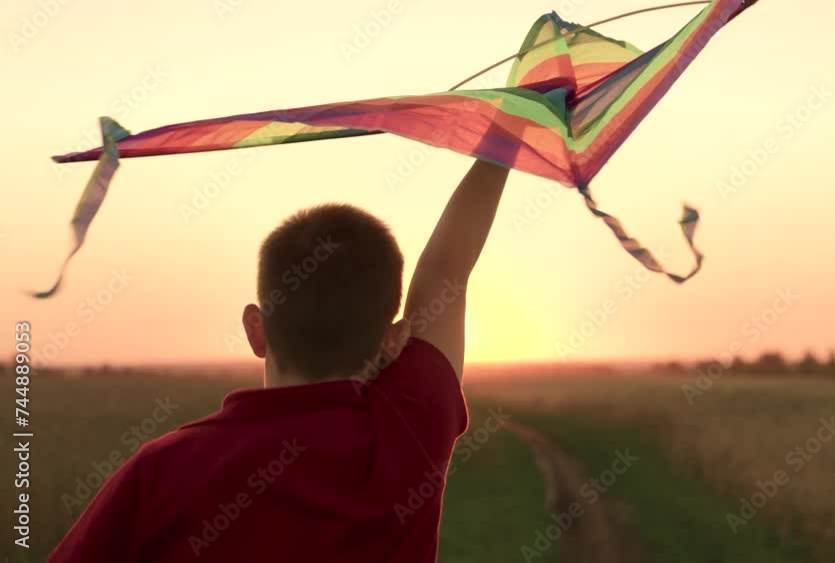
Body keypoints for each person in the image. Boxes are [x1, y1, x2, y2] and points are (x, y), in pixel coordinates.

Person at [49, 159, 511, 563]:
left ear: (256, 328)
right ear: (393, 339)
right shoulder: (409, 430)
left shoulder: (159, 473)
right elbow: (447, 270)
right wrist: (512, 130)